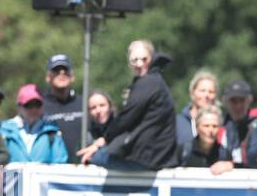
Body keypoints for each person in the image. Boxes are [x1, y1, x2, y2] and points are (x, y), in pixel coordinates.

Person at [77, 40, 178, 171]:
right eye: (134, 60)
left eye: (144, 59)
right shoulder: (155, 81)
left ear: (152, 58)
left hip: (148, 157)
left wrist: (104, 140)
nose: (139, 64)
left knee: (92, 158)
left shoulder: (148, 82)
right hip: (156, 156)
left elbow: (127, 118)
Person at [1, 84, 70, 164]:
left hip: (43, 176)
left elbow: (60, 163)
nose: (34, 109)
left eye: (37, 104)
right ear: (19, 107)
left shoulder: (52, 132)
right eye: (28, 105)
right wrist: (18, 176)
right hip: (12, 176)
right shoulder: (5, 131)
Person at [41, 54, 84, 159]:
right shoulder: (39, 105)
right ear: (48, 78)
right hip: (48, 171)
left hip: (83, 171)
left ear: (72, 77)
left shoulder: (84, 103)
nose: (62, 73)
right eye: (56, 70)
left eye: (66, 70)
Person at [175, 69, 219, 152]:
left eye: (211, 92)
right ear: (192, 93)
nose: (206, 95)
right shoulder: (177, 122)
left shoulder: (221, 123)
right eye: (202, 91)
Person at [219, 78, 257, 167]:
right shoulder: (218, 126)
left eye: (242, 100)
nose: (238, 106)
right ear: (225, 101)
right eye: (233, 101)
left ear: (249, 100)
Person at [180, 106, 229, 171]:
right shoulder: (183, 152)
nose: (211, 130)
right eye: (206, 126)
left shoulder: (225, 154)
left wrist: (229, 166)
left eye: (215, 126)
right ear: (197, 128)